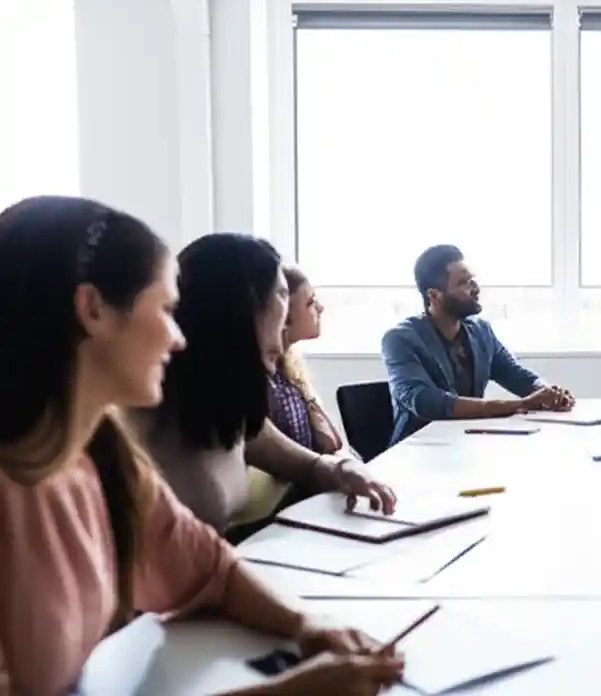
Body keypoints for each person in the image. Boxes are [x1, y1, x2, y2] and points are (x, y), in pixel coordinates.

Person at [0, 196, 403, 695]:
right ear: (93, 309)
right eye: (166, 310)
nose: (178, 338)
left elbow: (204, 567)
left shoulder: (101, 453)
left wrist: (306, 625)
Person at [131, 234, 398, 535]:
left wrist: (345, 469)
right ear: (236, 318)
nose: (275, 363)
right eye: (282, 294)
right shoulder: (141, 415)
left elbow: (307, 466)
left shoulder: (229, 408)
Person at [382, 244, 574, 445]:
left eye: (473, 280)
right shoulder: (399, 339)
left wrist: (547, 392)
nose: (475, 289)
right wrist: (518, 405)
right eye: (463, 283)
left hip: (466, 443)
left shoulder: (481, 331)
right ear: (434, 295)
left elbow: (515, 374)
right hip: (418, 448)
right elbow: (426, 402)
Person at [270, 265, 344, 455]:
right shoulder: (272, 387)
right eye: (310, 302)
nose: (320, 307)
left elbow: (332, 443)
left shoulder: (291, 370)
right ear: (283, 316)